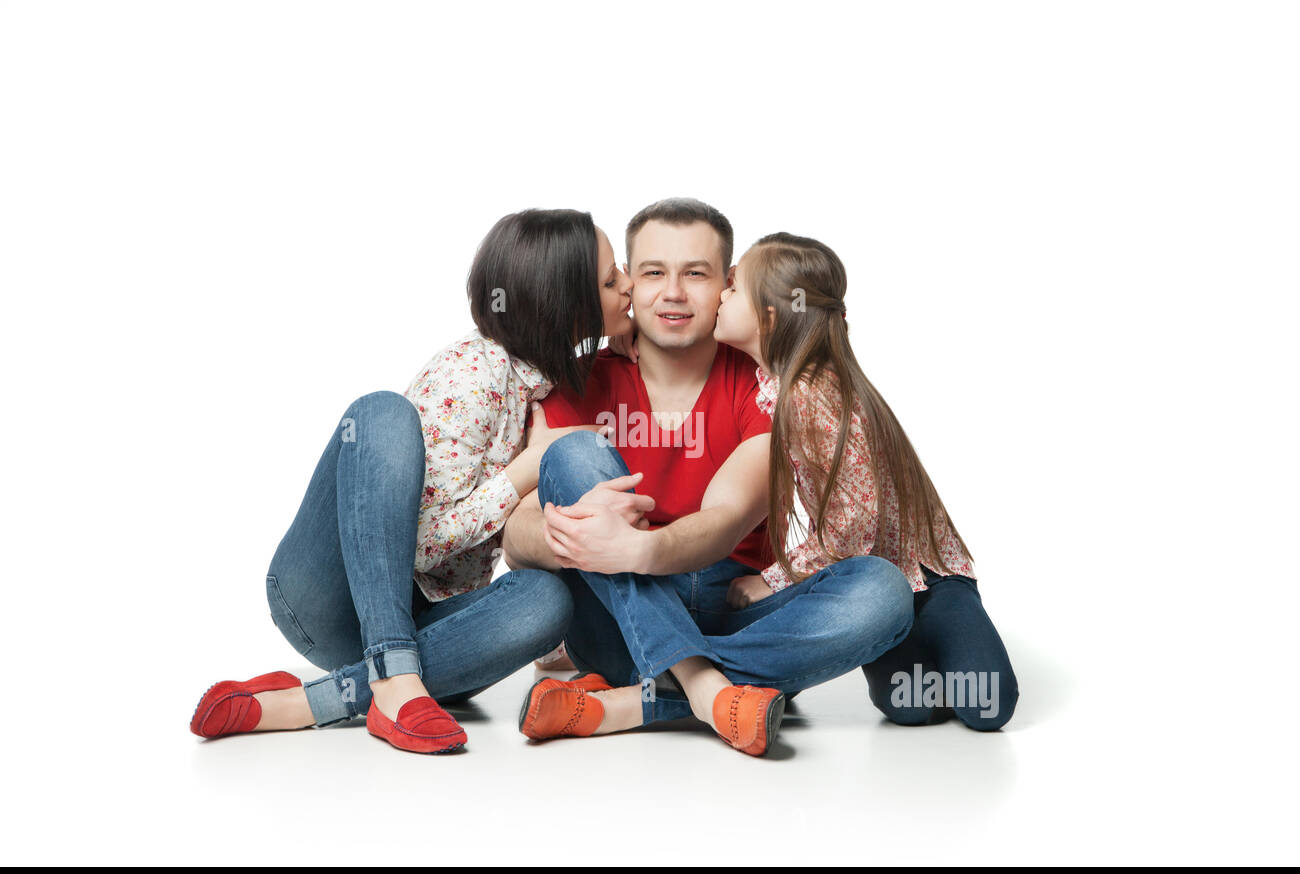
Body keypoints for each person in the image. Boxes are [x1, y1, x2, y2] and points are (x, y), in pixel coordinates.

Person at [190, 209, 633, 753]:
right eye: (613, 280)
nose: (630, 286)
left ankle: (329, 697)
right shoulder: (475, 375)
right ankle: (394, 677)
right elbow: (418, 545)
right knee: (381, 413)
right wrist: (523, 473)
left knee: (547, 601)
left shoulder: (546, 390)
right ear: (567, 309)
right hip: (334, 598)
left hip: (424, 620)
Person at [503, 199, 915, 757]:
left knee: (883, 590)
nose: (672, 293)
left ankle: (639, 700)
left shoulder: (766, 381)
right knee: (576, 452)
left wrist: (639, 547)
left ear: (726, 286)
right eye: (652, 272)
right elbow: (514, 537)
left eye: (694, 274)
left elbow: (725, 521)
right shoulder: (579, 381)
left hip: (736, 610)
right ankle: (709, 687)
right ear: (628, 283)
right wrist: (575, 535)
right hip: (617, 619)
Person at [715, 231, 1019, 730]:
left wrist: (771, 581)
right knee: (910, 707)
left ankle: (949, 627)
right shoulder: (780, 386)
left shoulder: (809, 392)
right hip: (880, 589)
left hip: (929, 577)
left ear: (769, 316)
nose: (722, 297)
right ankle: (918, 647)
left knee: (988, 705)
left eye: (733, 289)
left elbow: (854, 526)